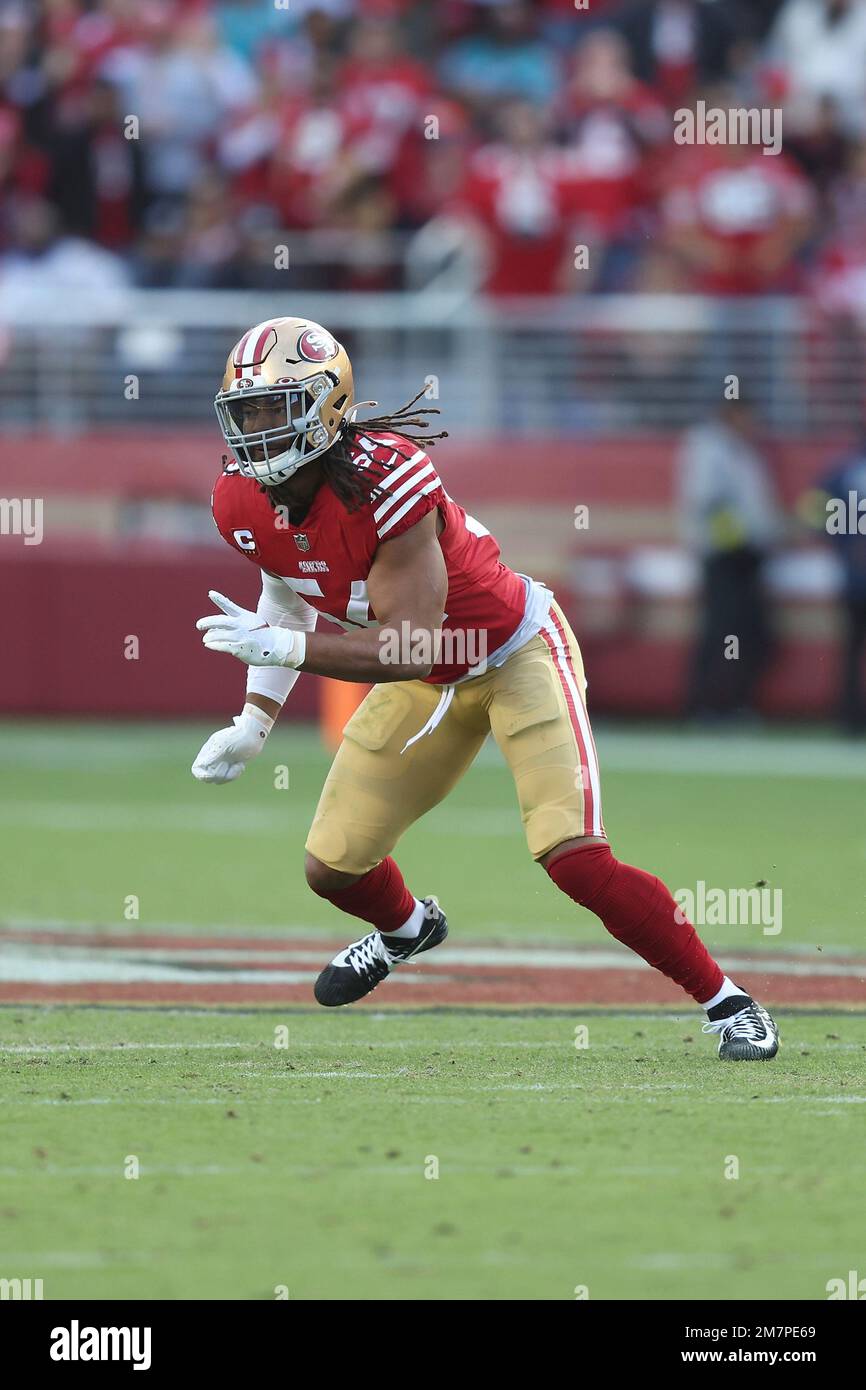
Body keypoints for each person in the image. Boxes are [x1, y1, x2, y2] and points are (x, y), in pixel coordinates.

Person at [192, 315, 779, 1062]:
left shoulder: (389, 481)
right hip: (429, 677)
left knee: (575, 858)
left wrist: (287, 647)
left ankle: (729, 1003)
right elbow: (288, 589)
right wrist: (254, 719)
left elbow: (410, 643)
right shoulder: (239, 500)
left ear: (325, 404)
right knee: (332, 867)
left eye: (275, 407)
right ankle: (408, 932)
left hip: (510, 652)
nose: (257, 428)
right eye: (247, 411)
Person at [677, 395, 784, 720]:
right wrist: (738, 538)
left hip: (748, 554)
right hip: (725, 555)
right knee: (722, 631)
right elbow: (707, 500)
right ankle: (706, 703)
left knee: (750, 632)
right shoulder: (708, 448)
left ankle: (734, 701)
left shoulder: (743, 450)